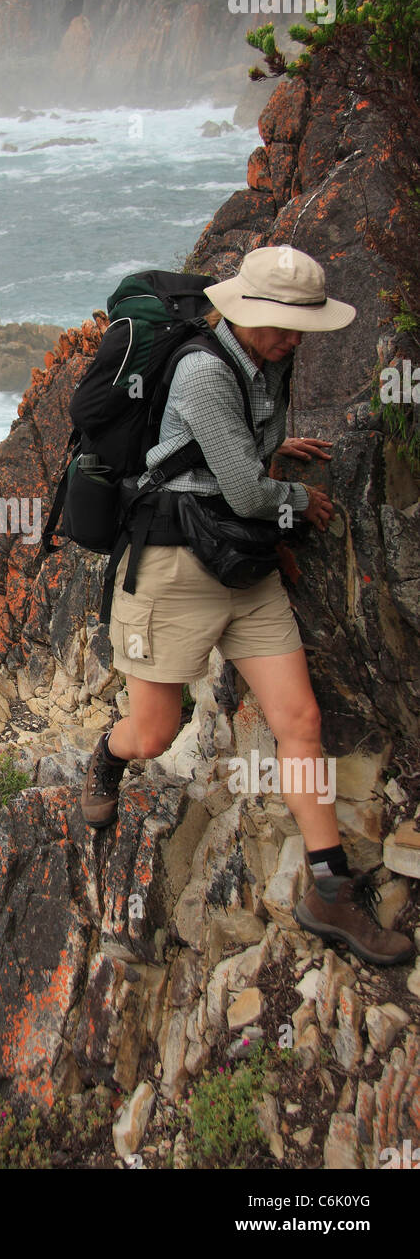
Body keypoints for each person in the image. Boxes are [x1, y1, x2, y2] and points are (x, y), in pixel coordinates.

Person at [81, 246, 413, 966]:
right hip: (172, 568)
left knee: (301, 719)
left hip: (244, 567)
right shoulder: (204, 369)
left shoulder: (270, 360)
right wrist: (298, 499)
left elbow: (236, 459)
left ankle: (329, 888)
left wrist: (266, 446)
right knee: (154, 732)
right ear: (244, 312)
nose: (295, 337)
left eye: (302, 326)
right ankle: (104, 759)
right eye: (282, 324)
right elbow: (247, 493)